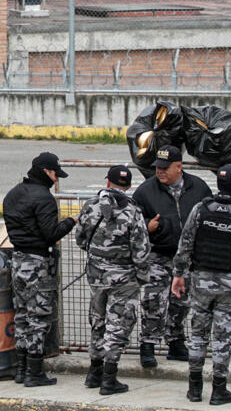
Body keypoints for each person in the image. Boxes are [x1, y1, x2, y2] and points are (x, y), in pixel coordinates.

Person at [172, 164, 231, 406]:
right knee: (223, 337)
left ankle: (194, 389)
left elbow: (185, 244)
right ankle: (219, 390)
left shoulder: (201, 209)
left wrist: (178, 274)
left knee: (198, 334)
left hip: (201, 281)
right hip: (230, 284)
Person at [131, 145, 211, 367]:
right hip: (158, 255)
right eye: (158, 167)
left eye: (165, 168)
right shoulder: (146, 191)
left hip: (186, 259)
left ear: (179, 167)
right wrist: (147, 226)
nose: (160, 172)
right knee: (153, 300)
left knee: (181, 302)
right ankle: (148, 344)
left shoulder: (199, 188)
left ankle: (176, 341)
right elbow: (132, 223)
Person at [2, 151, 76, 387]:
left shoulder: (13, 194)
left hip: (17, 261)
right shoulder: (43, 198)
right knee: (39, 318)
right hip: (36, 264)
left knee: (22, 316)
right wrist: (71, 222)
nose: (57, 180)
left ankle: (21, 370)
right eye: (55, 174)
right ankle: (35, 372)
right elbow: (50, 234)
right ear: (46, 171)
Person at [76, 164, 149, 396]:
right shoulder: (133, 211)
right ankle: (109, 378)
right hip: (124, 277)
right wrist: (142, 275)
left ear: (108, 182)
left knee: (98, 321)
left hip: (97, 275)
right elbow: (141, 250)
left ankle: (94, 372)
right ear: (128, 186)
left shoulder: (91, 206)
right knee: (118, 325)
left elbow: (80, 238)